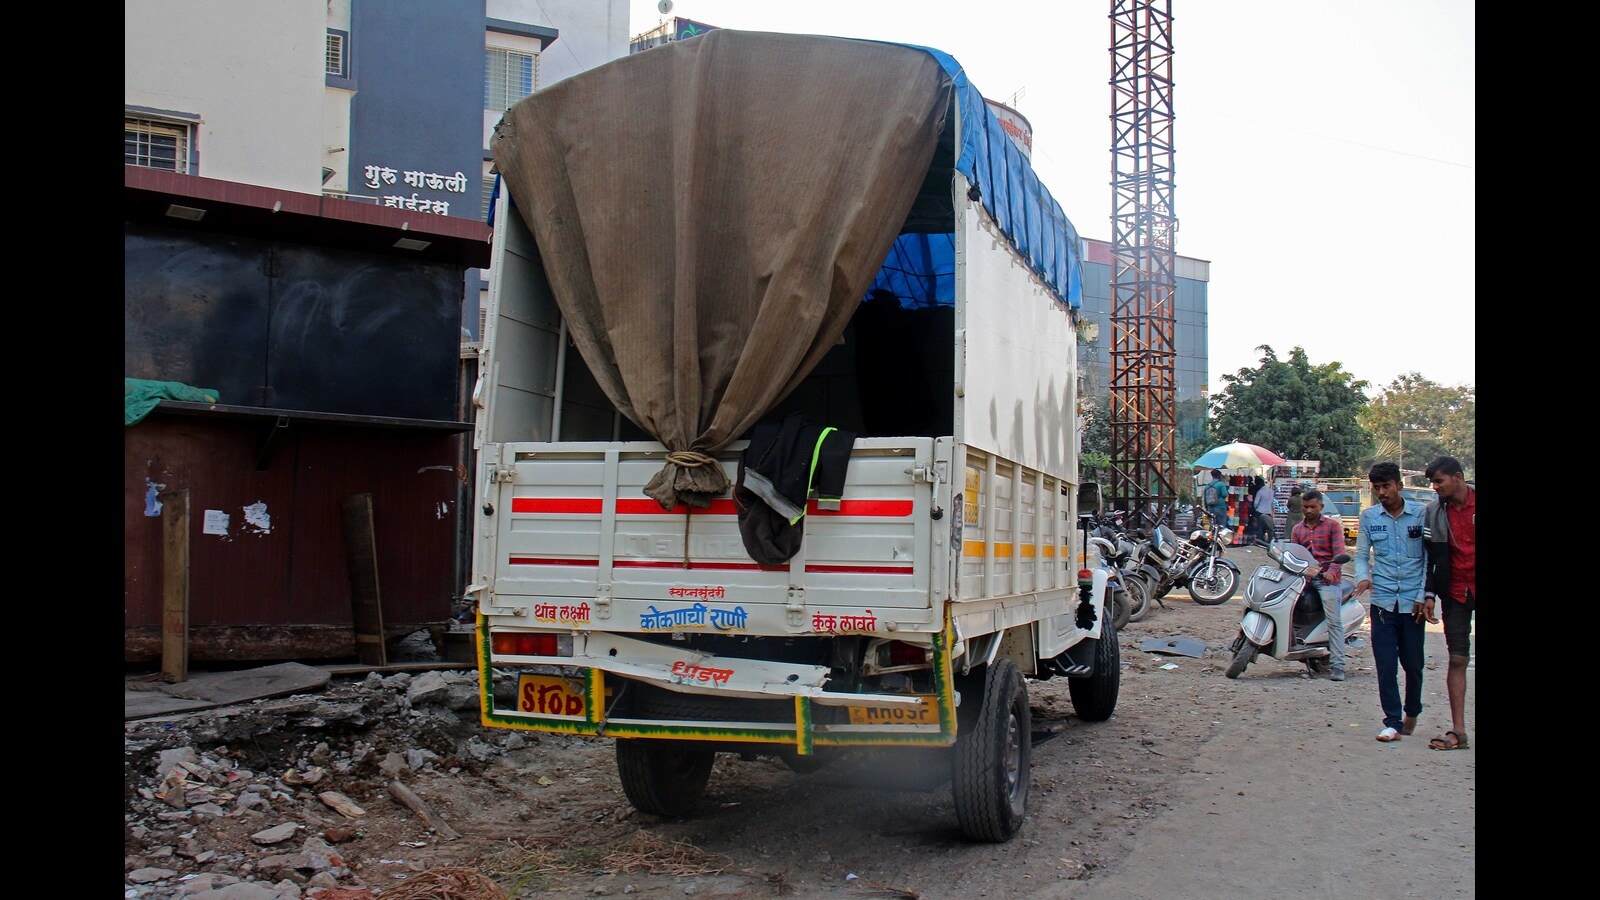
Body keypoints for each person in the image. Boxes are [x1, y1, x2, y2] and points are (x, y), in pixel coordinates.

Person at [1352, 462, 1432, 742]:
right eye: (1377, 488)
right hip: (1383, 602)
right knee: (1386, 664)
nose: (1383, 493)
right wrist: (1363, 577)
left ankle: (1412, 710)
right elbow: (1362, 555)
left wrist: (1423, 595)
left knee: (1413, 664)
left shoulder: (1421, 514)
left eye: (1386, 486)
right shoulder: (1369, 517)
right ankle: (1392, 721)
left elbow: (1428, 559)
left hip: (1413, 603)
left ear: (1399, 484)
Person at [1422, 455, 1474, 751]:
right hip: (1455, 592)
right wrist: (1430, 595)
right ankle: (1459, 732)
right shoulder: (1435, 512)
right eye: (1433, 482)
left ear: (1457, 477)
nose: (1435, 487)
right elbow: (1432, 557)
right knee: (1457, 659)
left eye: (1439, 481)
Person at [1289, 488, 1348, 681]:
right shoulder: (1297, 529)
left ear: (1321, 507)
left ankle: (1338, 665)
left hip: (1326, 579)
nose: (1308, 510)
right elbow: (1294, 555)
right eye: (1306, 507)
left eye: (1313, 507)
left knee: (1334, 622)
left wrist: (1331, 572)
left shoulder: (1332, 526)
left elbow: (1339, 553)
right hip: (1304, 579)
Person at [1253, 476, 1277, 547]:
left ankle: (1260, 541)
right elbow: (1273, 503)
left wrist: (1256, 509)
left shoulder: (1260, 492)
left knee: (1260, 528)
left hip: (1260, 512)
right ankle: (1269, 542)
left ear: (1258, 485)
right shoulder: (1271, 491)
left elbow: (1256, 503)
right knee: (1269, 528)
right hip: (1268, 512)